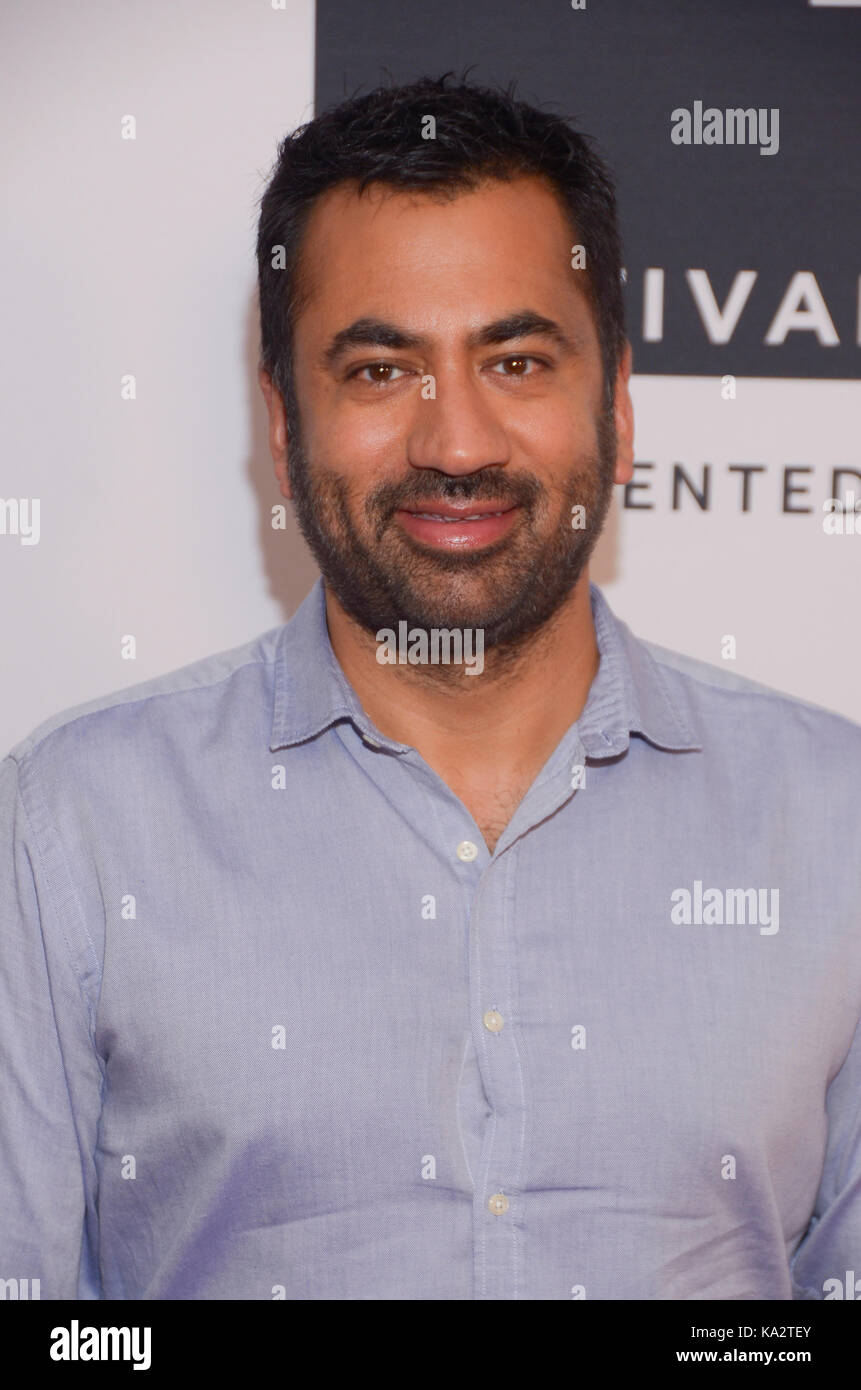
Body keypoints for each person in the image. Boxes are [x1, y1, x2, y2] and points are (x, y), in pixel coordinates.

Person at [2, 75, 859, 1302]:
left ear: (616, 398)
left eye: (515, 359)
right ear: (282, 421)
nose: (456, 443)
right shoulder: (71, 828)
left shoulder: (833, 822)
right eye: (375, 370)